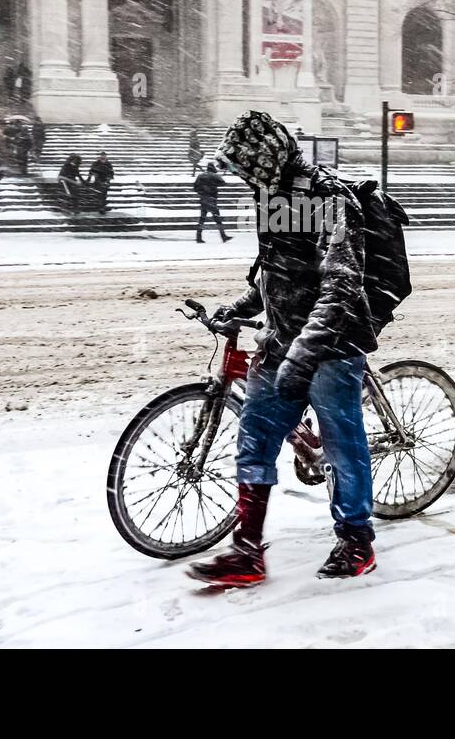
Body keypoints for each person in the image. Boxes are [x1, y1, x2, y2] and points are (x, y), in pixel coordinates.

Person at [186, 111, 380, 587]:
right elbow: (275, 274)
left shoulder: (329, 199)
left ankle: (357, 539)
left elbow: (341, 287)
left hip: (331, 349)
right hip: (279, 344)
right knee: (253, 437)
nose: (243, 177)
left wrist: (304, 353)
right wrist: (237, 308)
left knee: (341, 442)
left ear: (267, 158)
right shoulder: (273, 197)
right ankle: (247, 552)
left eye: (247, 166)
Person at [192, 161, 231, 243]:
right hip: (212, 199)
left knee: (202, 219)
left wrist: (202, 191)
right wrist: (213, 185)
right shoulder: (214, 176)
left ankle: (198, 237)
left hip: (203, 199)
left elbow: (195, 187)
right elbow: (223, 183)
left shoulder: (201, 176)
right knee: (217, 218)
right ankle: (223, 236)